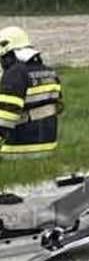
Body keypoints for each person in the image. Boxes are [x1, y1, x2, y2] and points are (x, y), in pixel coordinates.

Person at [0, 27, 62, 161]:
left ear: (9, 54)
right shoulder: (50, 72)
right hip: (48, 147)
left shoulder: (15, 74)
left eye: (3, 57)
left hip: (18, 150)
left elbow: (5, 116)